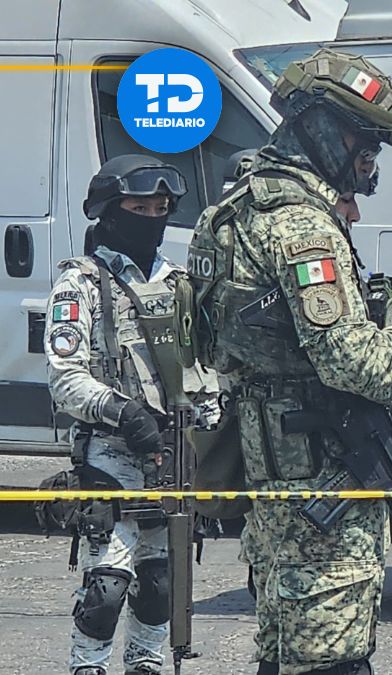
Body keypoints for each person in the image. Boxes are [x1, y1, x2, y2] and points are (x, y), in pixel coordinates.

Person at [188, 48, 392, 675]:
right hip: (320, 483)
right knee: (333, 662)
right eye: (364, 139)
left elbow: (265, 324)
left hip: (277, 476)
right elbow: (352, 362)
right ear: (315, 126)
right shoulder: (302, 225)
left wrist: (386, 297)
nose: (371, 156)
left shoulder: (239, 207)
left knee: (285, 658)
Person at [47, 154, 219, 675]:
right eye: (139, 206)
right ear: (109, 211)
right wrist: (123, 413)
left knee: (161, 583)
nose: (152, 216)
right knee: (108, 585)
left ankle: (145, 664)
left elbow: (203, 365)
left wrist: (211, 428)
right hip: (112, 452)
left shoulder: (179, 284)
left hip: (174, 452)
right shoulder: (81, 283)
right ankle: (88, 666)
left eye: (161, 207)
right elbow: (65, 378)